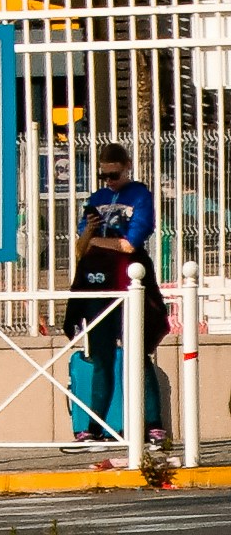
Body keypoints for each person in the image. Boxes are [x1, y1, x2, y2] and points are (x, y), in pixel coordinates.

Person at [70, 141, 172, 469]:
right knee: (101, 358)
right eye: (104, 175)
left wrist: (96, 239)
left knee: (137, 356)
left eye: (114, 174)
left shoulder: (140, 195)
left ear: (126, 167)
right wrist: (92, 238)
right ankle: (94, 428)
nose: (109, 181)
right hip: (99, 286)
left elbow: (131, 244)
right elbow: (80, 247)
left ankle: (153, 425)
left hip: (131, 284)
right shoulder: (96, 200)